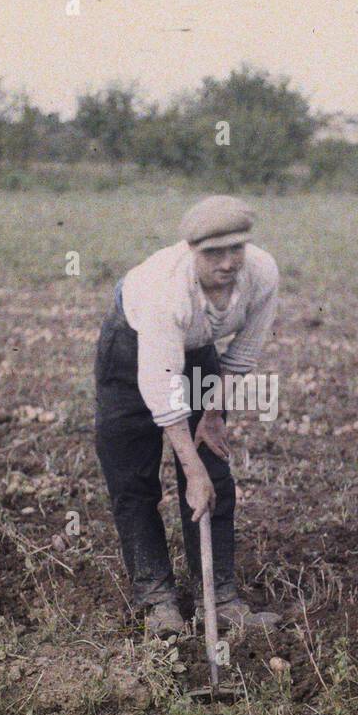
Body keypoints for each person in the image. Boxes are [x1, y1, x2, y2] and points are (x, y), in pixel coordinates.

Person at [94, 195, 280, 638]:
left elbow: (244, 351)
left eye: (237, 248)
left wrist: (213, 414)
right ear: (193, 250)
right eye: (214, 252)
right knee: (133, 478)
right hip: (131, 348)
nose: (229, 262)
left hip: (198, 355)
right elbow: (161, 390)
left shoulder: (262, 273)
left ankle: (220, 598)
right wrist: (188, 469)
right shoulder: (166, 290)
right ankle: (156, 599)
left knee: (215, 474)